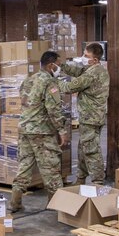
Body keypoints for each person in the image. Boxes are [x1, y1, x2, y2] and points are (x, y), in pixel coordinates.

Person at [9, 51, 70, 212]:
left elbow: (24, 102)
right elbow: (53, 109)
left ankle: (15, 202)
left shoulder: (29, 80)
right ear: (51, 65)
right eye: (58, 64)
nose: (60, 68)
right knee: (51, 168)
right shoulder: (50, 83)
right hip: (42, 132)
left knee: (25, 165)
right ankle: (54, 204)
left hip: (25, 129)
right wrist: (62, 131)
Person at [58, 43, 109, 185]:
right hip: (92, 117)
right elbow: (77, 71)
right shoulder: (93, 69)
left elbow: (69, 87)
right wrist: (61, 66)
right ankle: (81, 178)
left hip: (90, 118)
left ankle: (98, 182)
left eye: (87, 56)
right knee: (83, 148)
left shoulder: (93, 73)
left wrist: (55, 79)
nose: (83, 58)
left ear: (95, 60)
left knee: (91, 150)